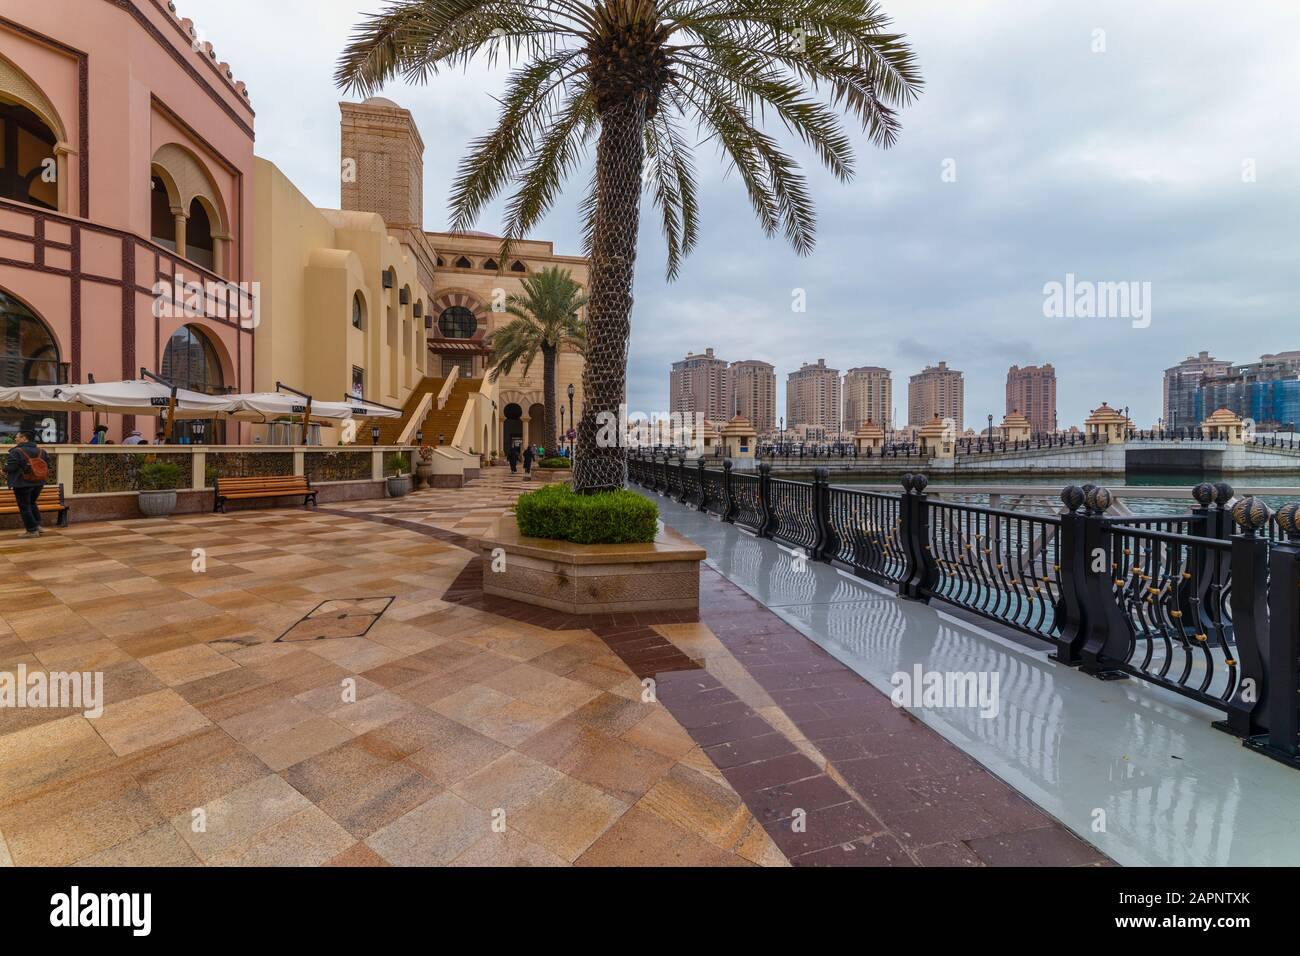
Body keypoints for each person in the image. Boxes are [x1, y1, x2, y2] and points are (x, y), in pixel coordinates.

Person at [5, 429, 50, 538]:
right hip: (38, 482)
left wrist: (3, 470)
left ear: (24, 438)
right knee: (32, 503)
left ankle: (32, 530)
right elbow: (48, 465)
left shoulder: (16, 451)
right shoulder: (42, 451)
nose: (15, 438)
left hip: (22, 483)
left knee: (24, 506)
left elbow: (11, 467)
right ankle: (37, 525)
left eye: (17, 436)